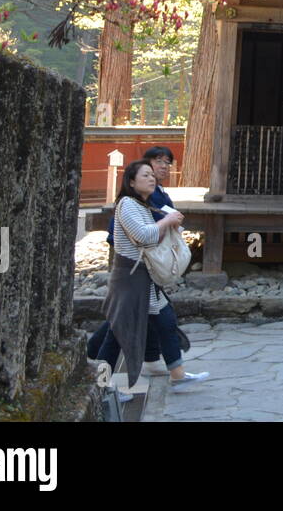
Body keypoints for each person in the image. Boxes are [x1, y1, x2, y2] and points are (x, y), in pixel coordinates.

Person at [96, 161, 208, 400]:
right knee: (117, 334)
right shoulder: (126, 205)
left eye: (151, 175)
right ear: (132, 182)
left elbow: (153, 237)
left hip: (143, 278)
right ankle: (102, 386)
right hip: (129, 279)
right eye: (145, 175)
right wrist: (167, 222)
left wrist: (170, 225)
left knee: (166, 321)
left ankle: (177, 375)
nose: (151, 178)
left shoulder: (142, 205)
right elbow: (144, 237)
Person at [88, 146, 178, 363]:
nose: (163, 167)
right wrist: (168, 221)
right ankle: (101, 374)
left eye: (168, 162)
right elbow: (145, 234)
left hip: (142, 267)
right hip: (132, 267)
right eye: (158, 162)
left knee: (152, 318)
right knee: (122, 327)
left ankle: (161, 365)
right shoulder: (131, 201)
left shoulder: (155, 194)